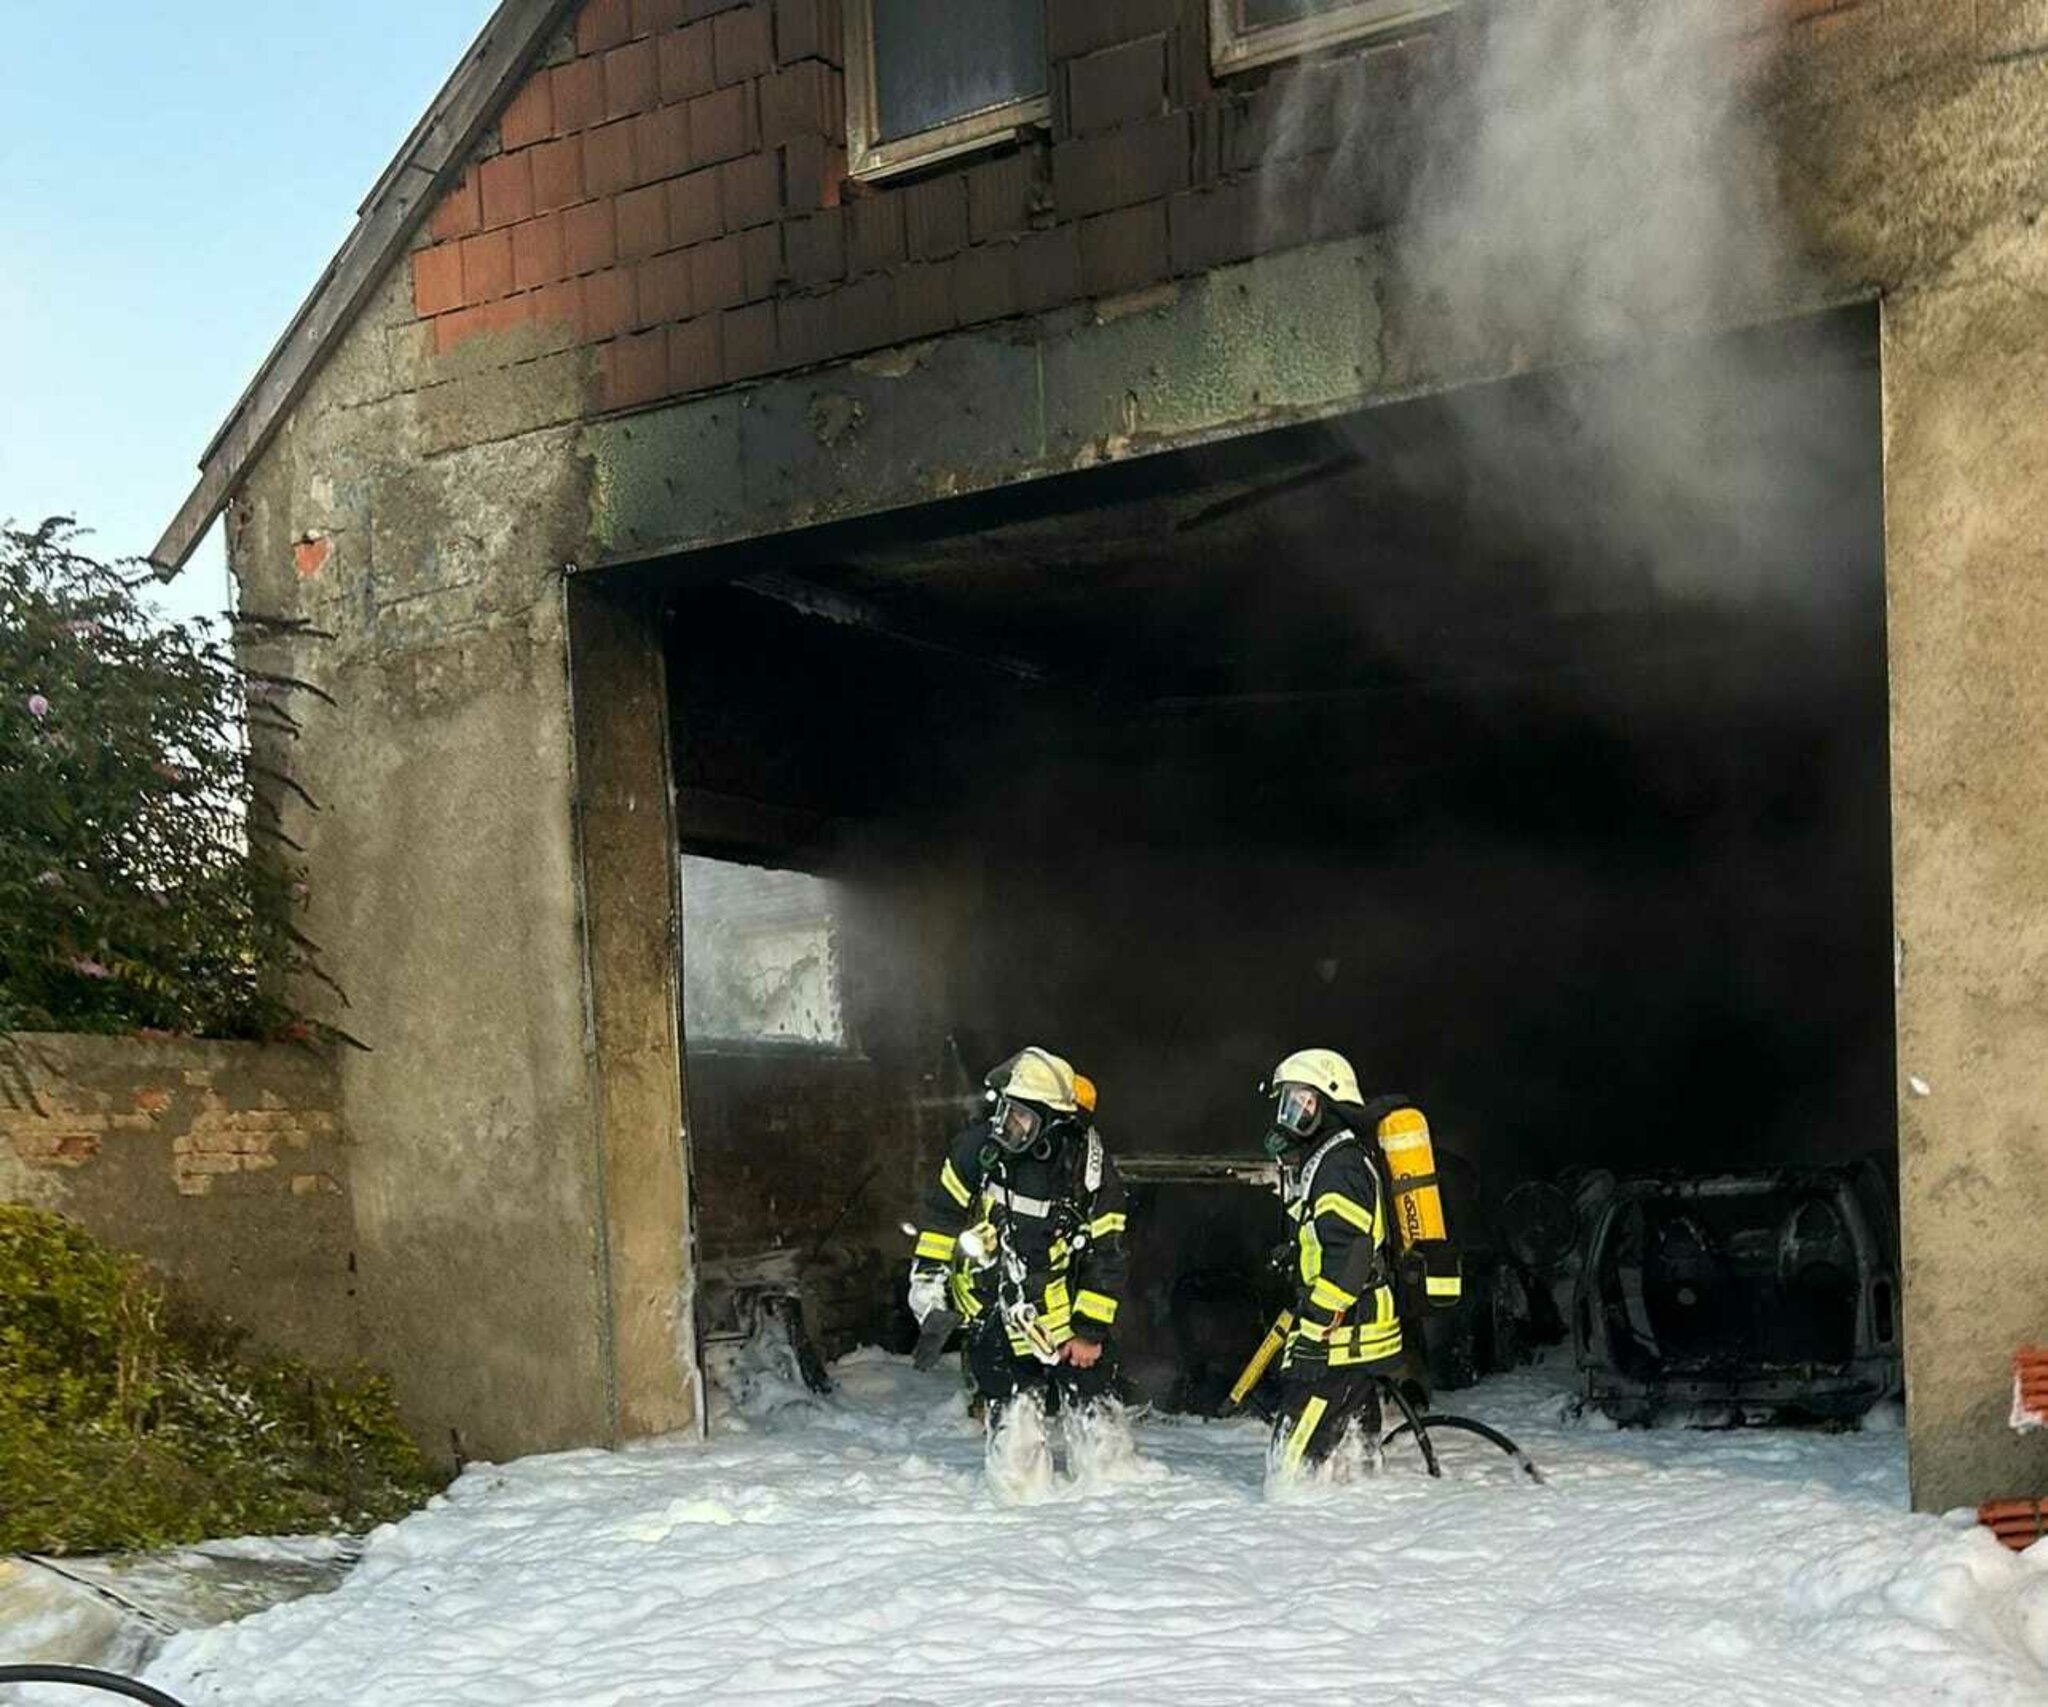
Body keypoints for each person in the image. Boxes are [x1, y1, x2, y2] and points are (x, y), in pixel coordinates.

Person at [906, 1046, 1132, 1496]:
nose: (1008, 1125)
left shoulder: (1087, 1169)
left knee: (1101, 1443)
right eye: (1006, 1110)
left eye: (1022, 1117)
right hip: (997, 1308)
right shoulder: (978, 1148)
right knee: (1016, 1453)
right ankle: (1019, 1538)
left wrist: (1089, 1332)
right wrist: (928, 1286)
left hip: (1067, 1315)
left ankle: (1110, 1516)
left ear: (1054, 1123)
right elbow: (941, 1219)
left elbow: (1108, 1253)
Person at [1255, 1047, 1458, 1486]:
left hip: (1341, 1341)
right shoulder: (1329, 1159)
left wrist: (1315, 1329)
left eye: (1299, 1104)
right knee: (1353, 1471)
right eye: (1285, 1104)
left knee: (1290, 1475)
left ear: (1328, 1104)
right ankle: (1355, 1545)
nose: (1288, 1116)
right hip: (1357, 1340)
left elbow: (1349, 1255)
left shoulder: (1339, 1165)